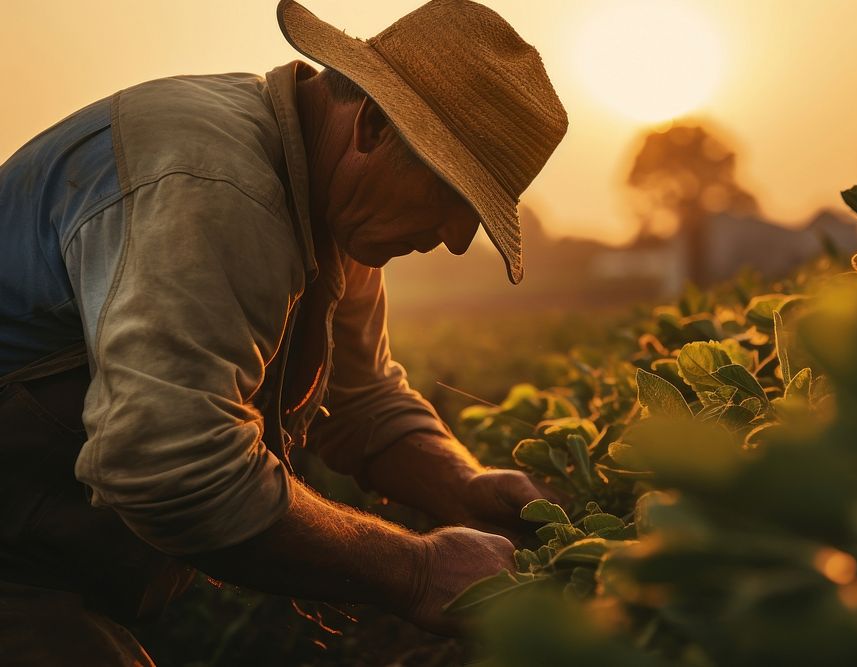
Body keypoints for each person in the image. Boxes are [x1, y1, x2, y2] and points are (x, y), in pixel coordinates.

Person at [0, 0, 568, 663]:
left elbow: (361, 400)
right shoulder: (214, 189)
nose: (458, 238)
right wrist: (417, 571)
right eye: (452, 195)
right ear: (372, 126)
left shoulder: (336, 209)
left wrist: (464, 486)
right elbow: (170, 468)